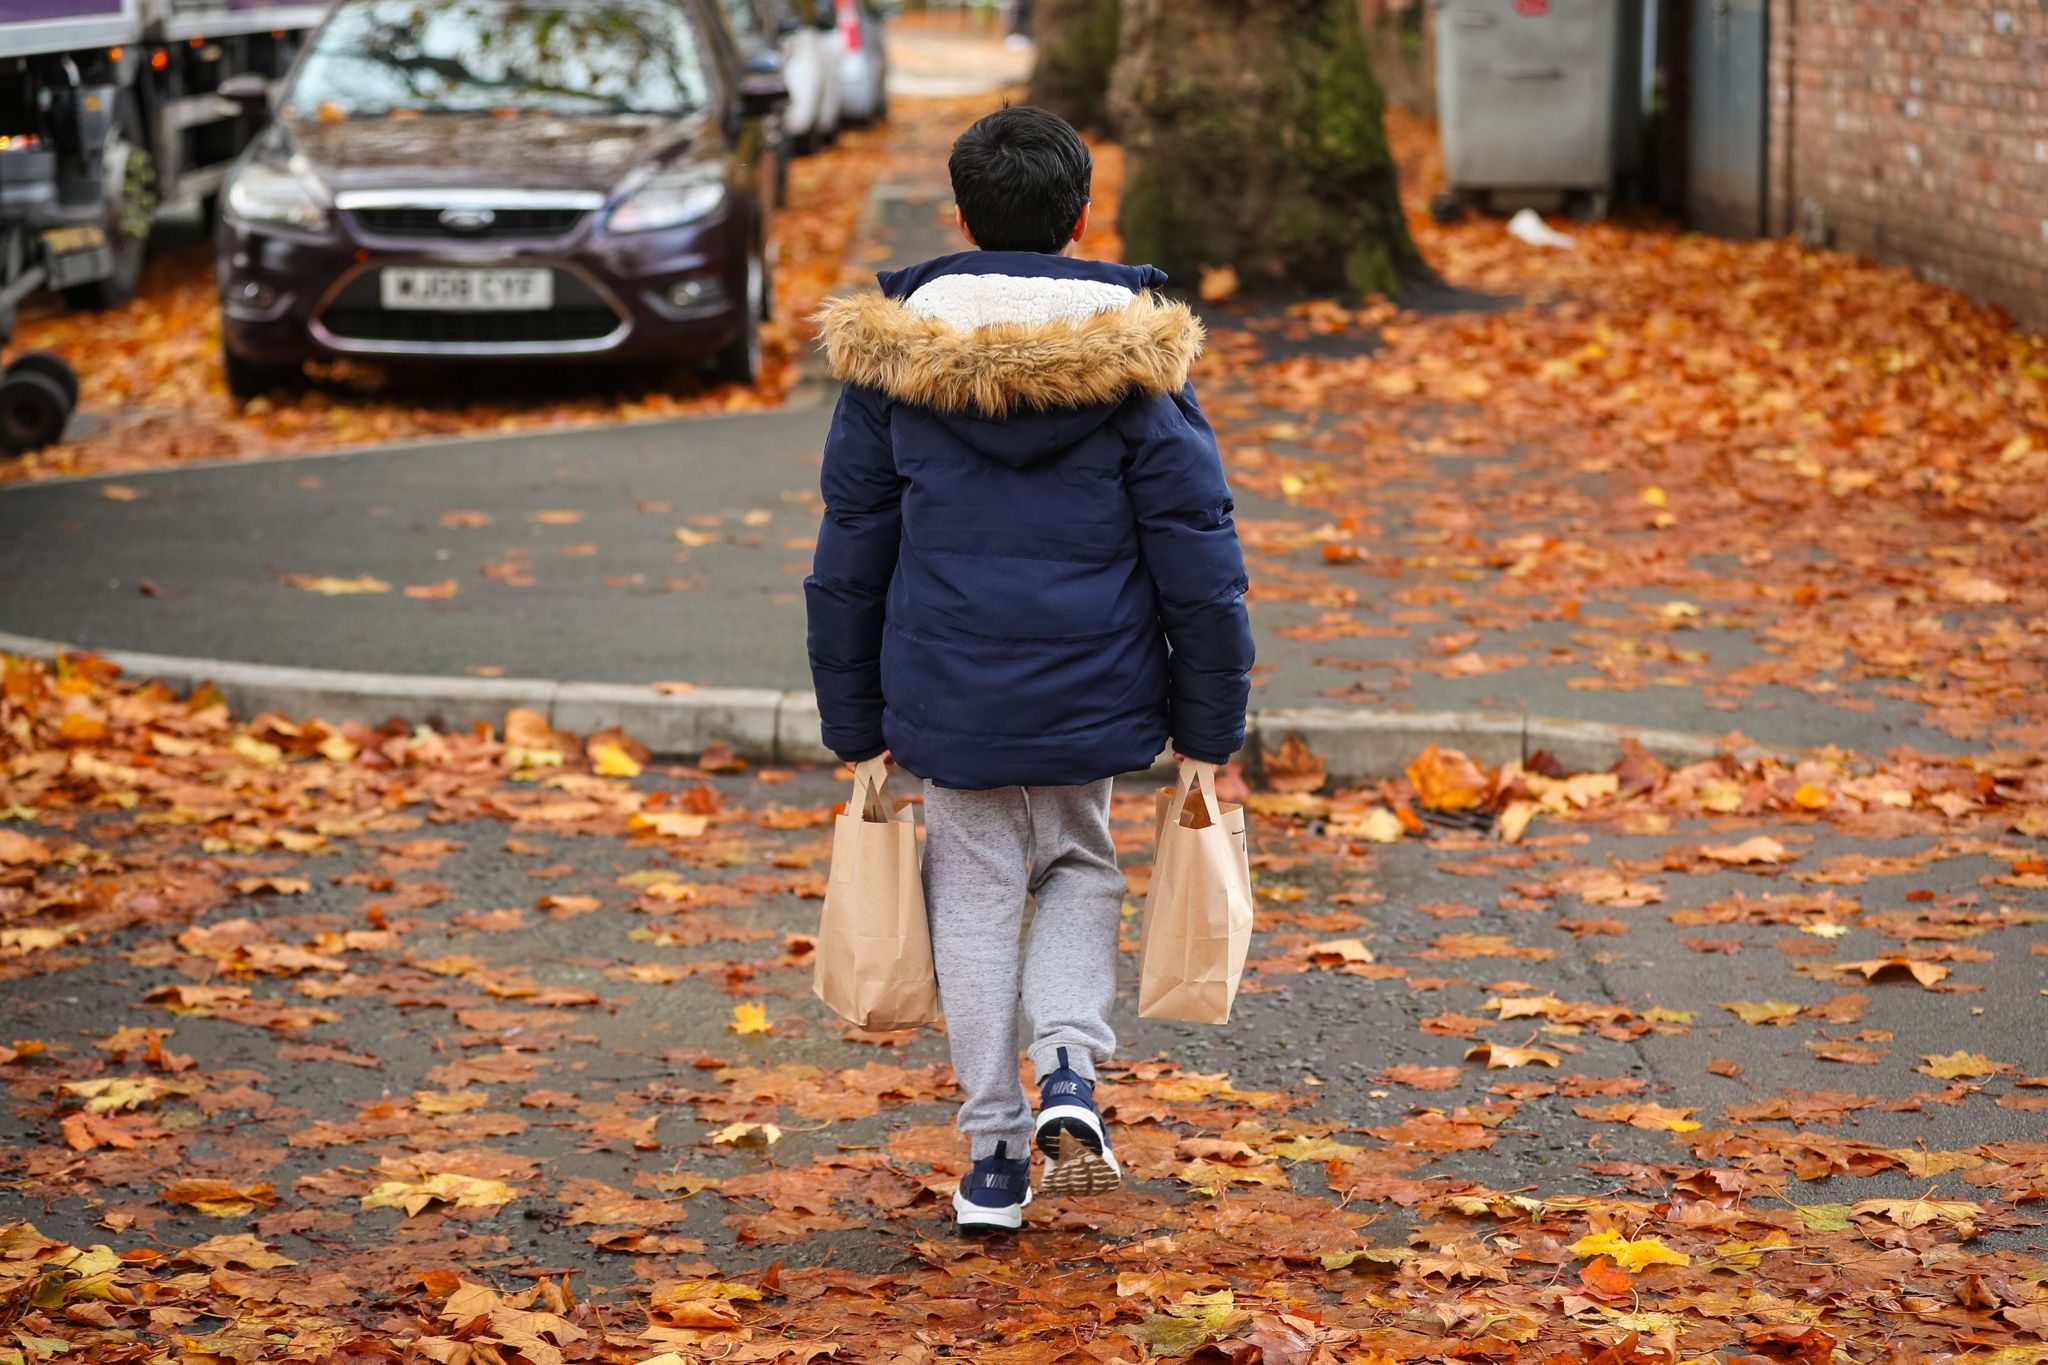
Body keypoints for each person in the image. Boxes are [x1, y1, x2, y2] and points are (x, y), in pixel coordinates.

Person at [805, 106, 1254, 1233]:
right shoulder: (1137, 369)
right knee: (1079, 865)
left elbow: (850, 560)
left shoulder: (893, 367)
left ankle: (994, 1158)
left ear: (959, 220)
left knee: (970, 893)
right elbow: (1200, 565)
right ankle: (1066, 1066)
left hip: (944, 696)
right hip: (1093, 689)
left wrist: (852, 721)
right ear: (1081, 218)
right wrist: (1210, 726)